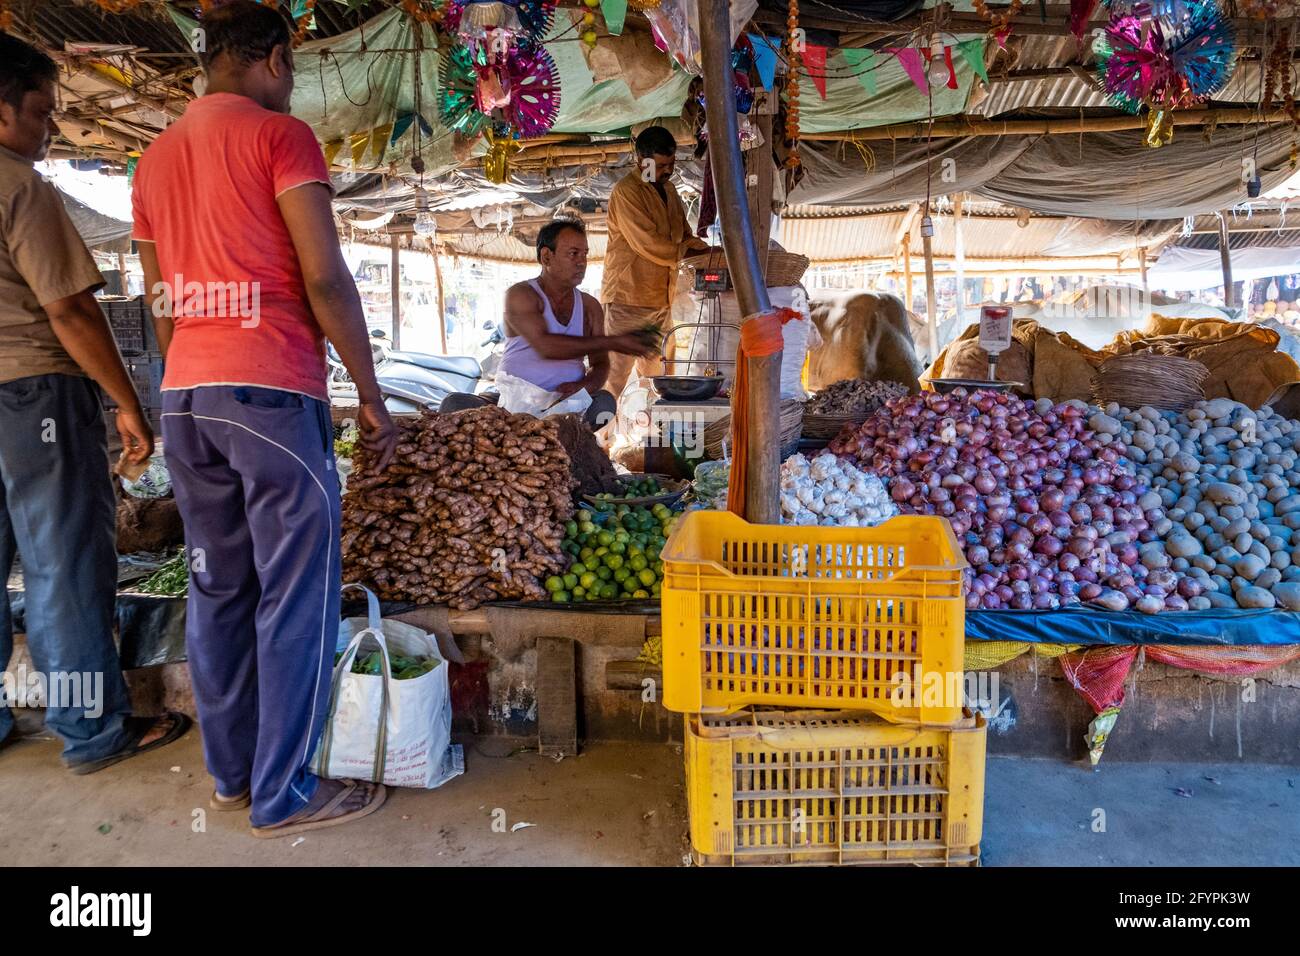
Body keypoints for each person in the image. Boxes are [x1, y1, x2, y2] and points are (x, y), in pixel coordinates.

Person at [131, 1, 396, 837]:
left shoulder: (152, 161)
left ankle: (231, 777)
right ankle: (284, 795)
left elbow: (160, 301)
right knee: (296, 596)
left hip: (188, 404)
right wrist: (370, 390)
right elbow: (325, 281)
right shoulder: (280, 138)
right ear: (276, 59)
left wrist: (186, 379)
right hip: (272, 396)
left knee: (217, 588)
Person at [0, 35, 190, 770]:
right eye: (42, 113)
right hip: (33, 397)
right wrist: (128, 404)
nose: (51, 131)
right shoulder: (19, 185)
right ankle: (92, 733)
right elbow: (73, 314)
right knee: (65, 569)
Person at [442, 218, 654, 427]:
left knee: (604, 403)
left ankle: (543, 432)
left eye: (584, 255)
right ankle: (535, 430)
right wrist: (613, 342)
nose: (581, 262)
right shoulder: (521, 294)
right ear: (546, 257)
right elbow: (546, 346)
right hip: (511, 402)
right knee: (455, 403)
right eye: (573, 254)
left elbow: (600, 364)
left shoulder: (589, 306)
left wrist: (584, 386)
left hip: (563, 405)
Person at [600, 125, 710, 400]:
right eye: (661, 165)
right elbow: (649, 244)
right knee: (613, 379)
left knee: (660, 381)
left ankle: (653, 439)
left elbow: (684, 234)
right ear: (642, 160)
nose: (668, 170)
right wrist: (688, 251)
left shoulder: (669, 190)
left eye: (671, 164)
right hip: (628, 300)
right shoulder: (627, 192)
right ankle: (598, 439)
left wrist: (707, 251)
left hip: (661, 301)